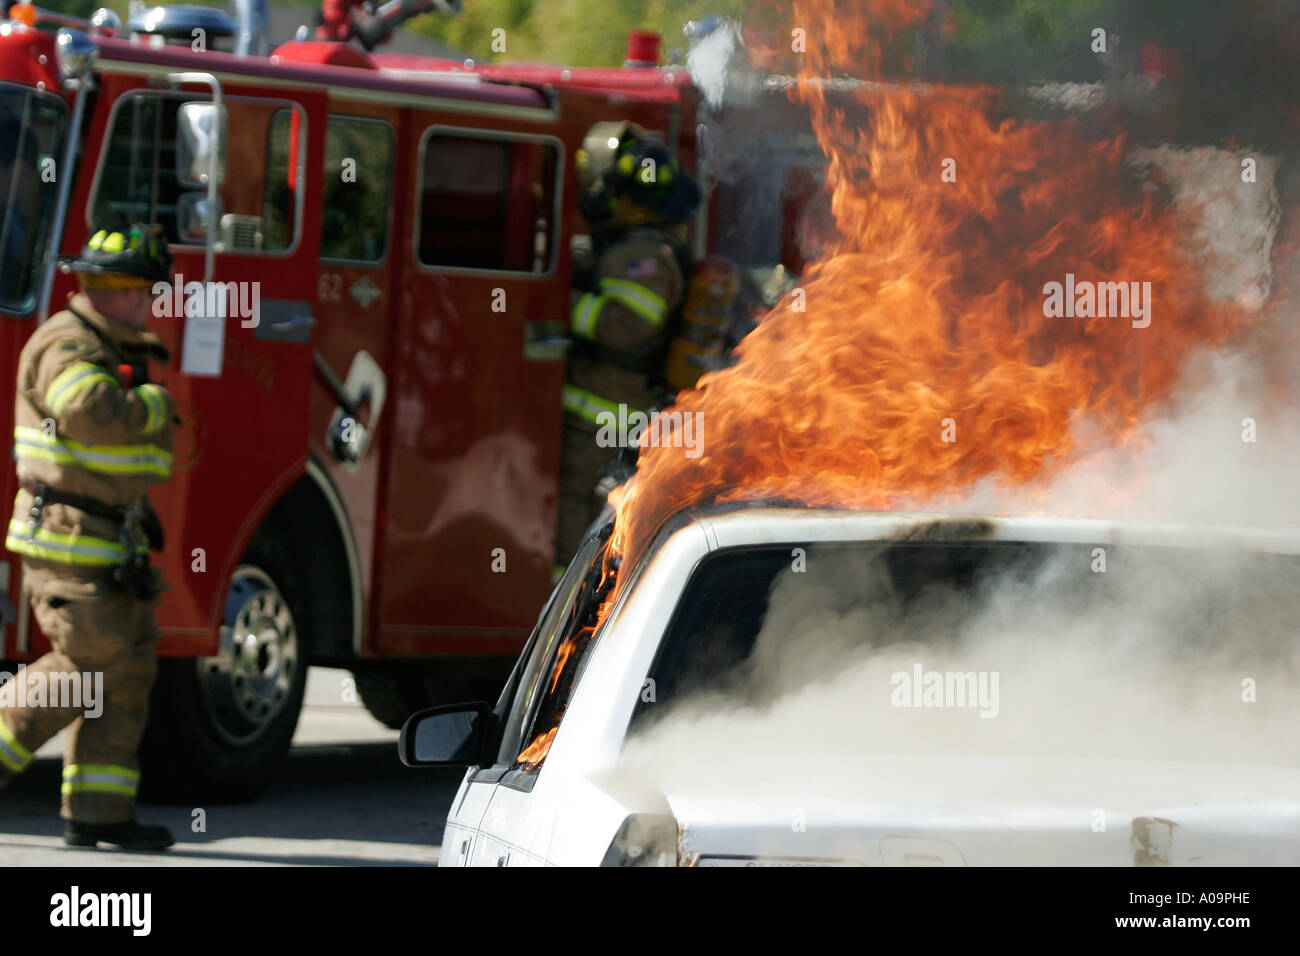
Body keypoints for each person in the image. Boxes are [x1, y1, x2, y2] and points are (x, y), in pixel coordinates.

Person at [0, 223, 176, 851]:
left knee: (124, 671)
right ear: (128, 292)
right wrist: (153, 408)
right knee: (81, 667)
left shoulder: (105, 340)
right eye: (149, 292)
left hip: (105, 542)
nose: (152, 305)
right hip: (70, 543)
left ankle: (100, 813)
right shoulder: (68, 344)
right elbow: (86, 412)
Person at [556, 122, 701, 566]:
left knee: (574, 509)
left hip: (605, 411)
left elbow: (625, 327)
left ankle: (565, 620)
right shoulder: (634, 249)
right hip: (600, 407)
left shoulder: (645, 257)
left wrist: (555, 301)